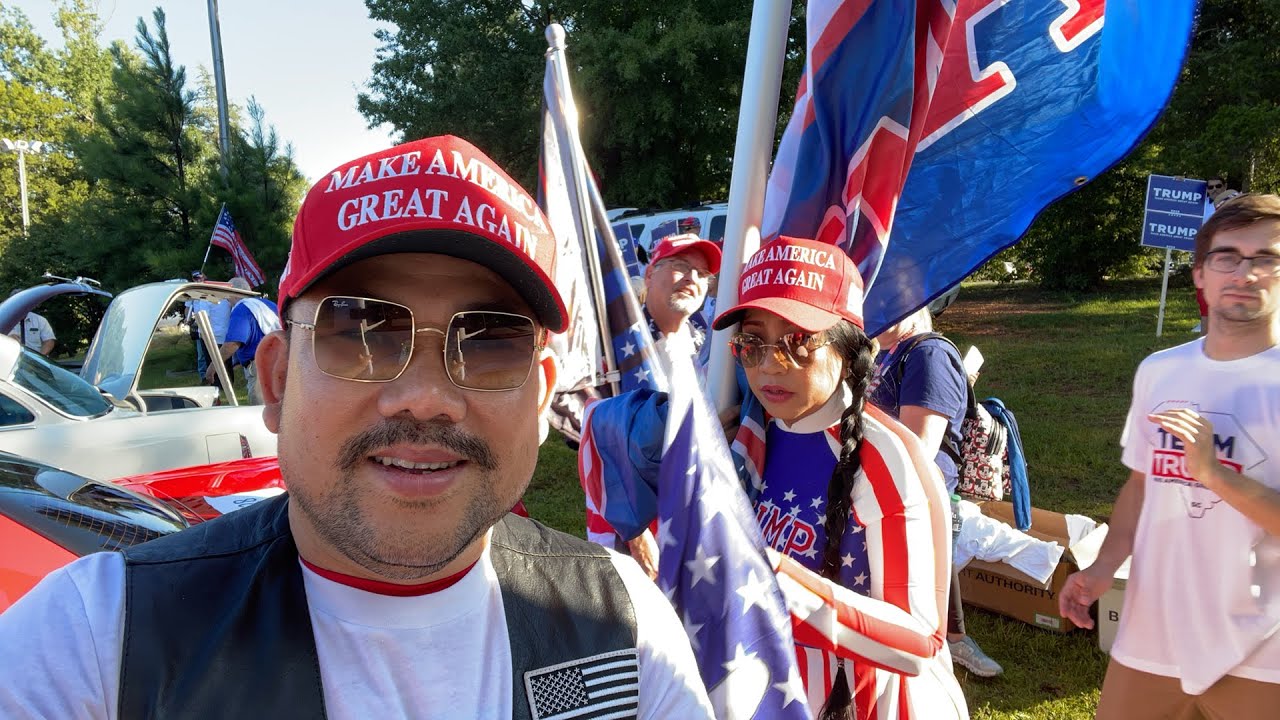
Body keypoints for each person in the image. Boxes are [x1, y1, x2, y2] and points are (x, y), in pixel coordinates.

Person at [0, 135, 713, 719]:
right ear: (276, 381)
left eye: (491, 339)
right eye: (361, 328)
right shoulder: (99, 644)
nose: (427, 398)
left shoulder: (624, 625)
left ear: (540, 397)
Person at [586, 236, 969, 718]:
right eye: (752, 342)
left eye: (798, 341)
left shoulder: (882, 458)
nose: (770, 364)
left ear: (849, 351)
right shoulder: (748, 435)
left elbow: (917, 642)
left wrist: (765, 575)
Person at [1060, 193, 1280, 718]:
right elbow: (1141, 485)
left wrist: (1214, 474)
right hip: (1152, 632)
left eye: (1266, 259)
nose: (1244, 273)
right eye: (1227, 256)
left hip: (1262, 646)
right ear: (1200, 275)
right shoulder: (1160, 370)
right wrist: (1103, 565)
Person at [870, 306, 1004, 678]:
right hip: (890, 490)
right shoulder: (885, 351)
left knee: (923, 581)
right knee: (932, 576)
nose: (874, 313)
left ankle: (939, 656)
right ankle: (952, 641)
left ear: (915, 305)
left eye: (886, 303)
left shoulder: (928, 353)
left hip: (920, 495)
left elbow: (919, 447)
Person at [642, 232, 720, 365]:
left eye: (702, 274)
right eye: (681, 266)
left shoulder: (701, 346)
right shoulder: (616, 344)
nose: (693, 279)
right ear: (650, 275)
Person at [204, 277, 280, 404]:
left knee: (260, 409)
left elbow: (232, 344)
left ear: (233, 292)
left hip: (261, 366)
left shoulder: (242, 309)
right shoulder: (269, 304)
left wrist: (213, 367)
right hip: (280, 359)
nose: (226, 299)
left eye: (227, 294)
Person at [185, 271, 232, 380]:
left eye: (200, 278)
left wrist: (196, 321)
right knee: (216, 359)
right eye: (195, 278)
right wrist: (188, 320)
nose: (198, 280)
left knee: (213, 360)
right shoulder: (195, 293)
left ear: (205, 278)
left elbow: (204, 316)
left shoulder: (205, 296)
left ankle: (214, 382)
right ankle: (208, 378)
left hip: (210, 333)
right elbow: (188, 308)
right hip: (216, 332)